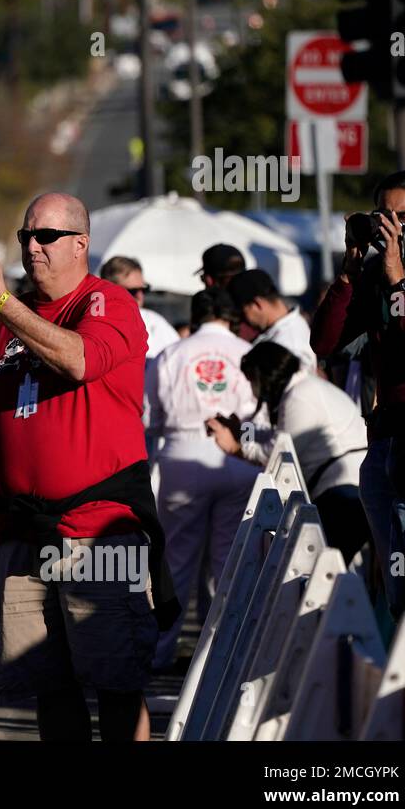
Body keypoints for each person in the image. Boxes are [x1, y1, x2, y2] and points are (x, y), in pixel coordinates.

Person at [0, 191, 177, 743]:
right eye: (25, 237)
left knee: (115, 679)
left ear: (81, 244)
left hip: (98, 529)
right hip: (21, 530)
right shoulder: (1, 324)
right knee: (49, 684)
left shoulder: (107, 302)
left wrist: (2, 304)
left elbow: (78, 359)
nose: (32, 248)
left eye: (46, 237)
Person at [311, 168, 405, 625]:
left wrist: (400, 284)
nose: (391, 229)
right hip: (387, 442)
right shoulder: (374, 273)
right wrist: (349, 275)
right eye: (382, 217)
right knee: (400, 591)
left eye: (403, 217)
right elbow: (326, 344)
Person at [146, 287, 260, 670]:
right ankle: (222, 657)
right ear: (230, 316)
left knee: (177, 561)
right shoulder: (247, 353)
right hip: (238, 454)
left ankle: (160, 653)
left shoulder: (170, 355)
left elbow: (151, 417)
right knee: (228, 561)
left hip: (183, 453)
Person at [206, 342, 371, 564]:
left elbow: (278, 452)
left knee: (318, 571)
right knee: (329, 574)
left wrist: (236, 447)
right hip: (348, 489)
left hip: (342, 495)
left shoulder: (299, 396)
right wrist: (240, 432)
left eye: (252, 382)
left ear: (264, 378)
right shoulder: (303, 388)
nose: (254, 392)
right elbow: (278, 435)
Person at [227, 268, 319, 374]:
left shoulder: (288, 343)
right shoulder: (291, 327)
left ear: (257, 304)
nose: (241, 319)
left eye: (242, 312)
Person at [100, 256, 180, 359]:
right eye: (132, 291)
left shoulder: (155, 322)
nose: (139, 296)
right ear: (110, 291)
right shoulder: (93, 323)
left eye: (143, 289)